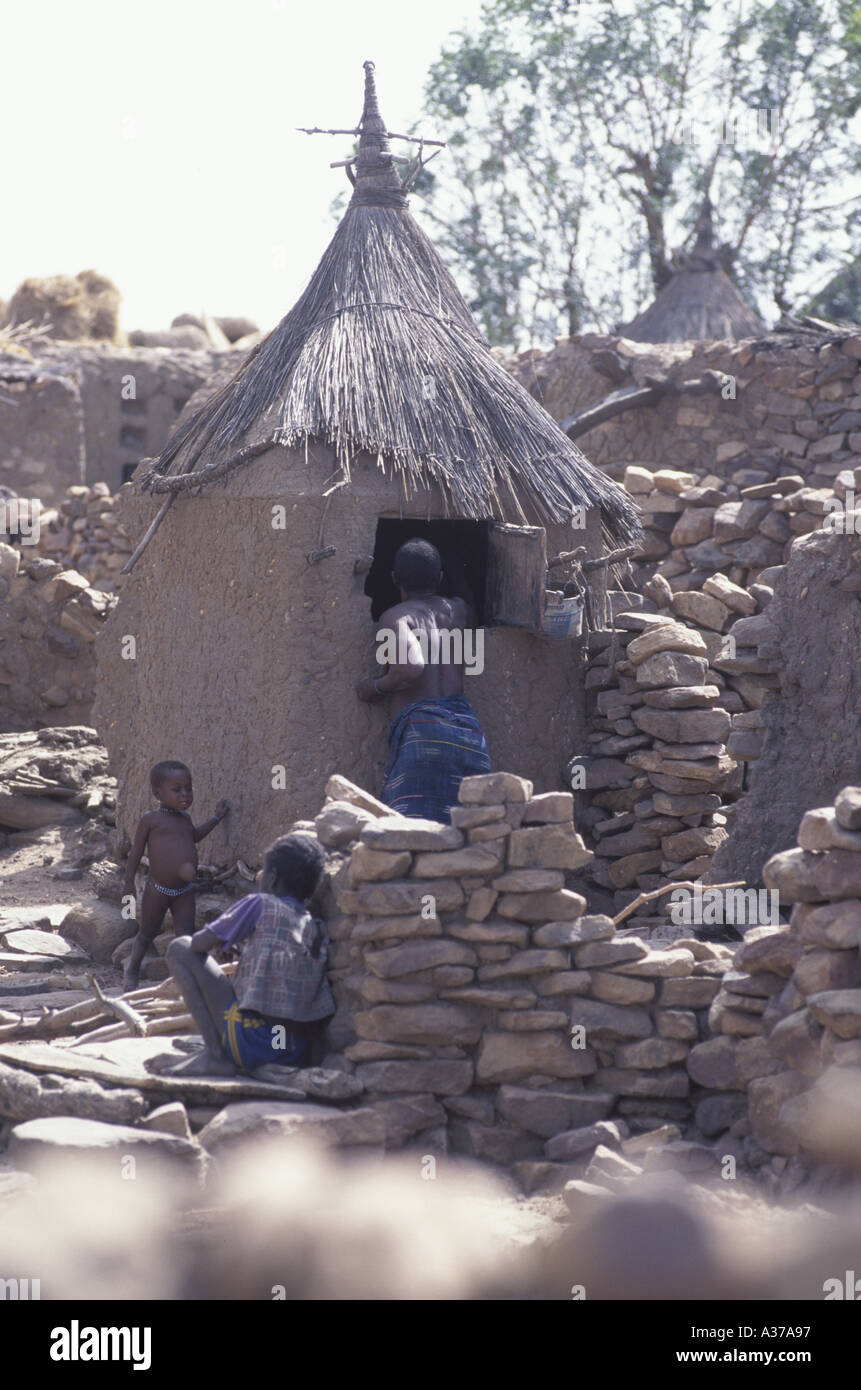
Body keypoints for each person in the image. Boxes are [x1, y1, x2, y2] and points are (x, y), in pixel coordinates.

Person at [162, 832, 335, 1077]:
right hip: (291, 1050)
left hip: (255, 1043)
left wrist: (218, 942)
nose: (259, 876)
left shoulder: (259, 903)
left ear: (273, 879)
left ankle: (215, 1055)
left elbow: (199, 944)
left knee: (180, 947)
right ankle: (226, 1051)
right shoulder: (315, 926)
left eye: (263, 870)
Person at [355, 537, 491, 823]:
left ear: (393, 579)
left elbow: (410, 667)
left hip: (426, 735)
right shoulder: (458, 610)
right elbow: (472, 610)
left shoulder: (396, 617)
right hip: (468, 733)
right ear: (440, 578)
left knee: (408, 837)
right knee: (470, 838)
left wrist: (376, 687)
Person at [122, 760, 228, 991]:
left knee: (186, 937)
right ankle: (132, 969)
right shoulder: (150, 820)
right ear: (157, 793)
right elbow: (136, 852)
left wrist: (216, 819)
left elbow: (194, 836)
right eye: (177, 789)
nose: (185, 794)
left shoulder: (185, 819)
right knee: (147, 931)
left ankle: (186, 980)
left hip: (183, 892)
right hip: (157, 889)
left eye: (188, 788)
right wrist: (129, 882)